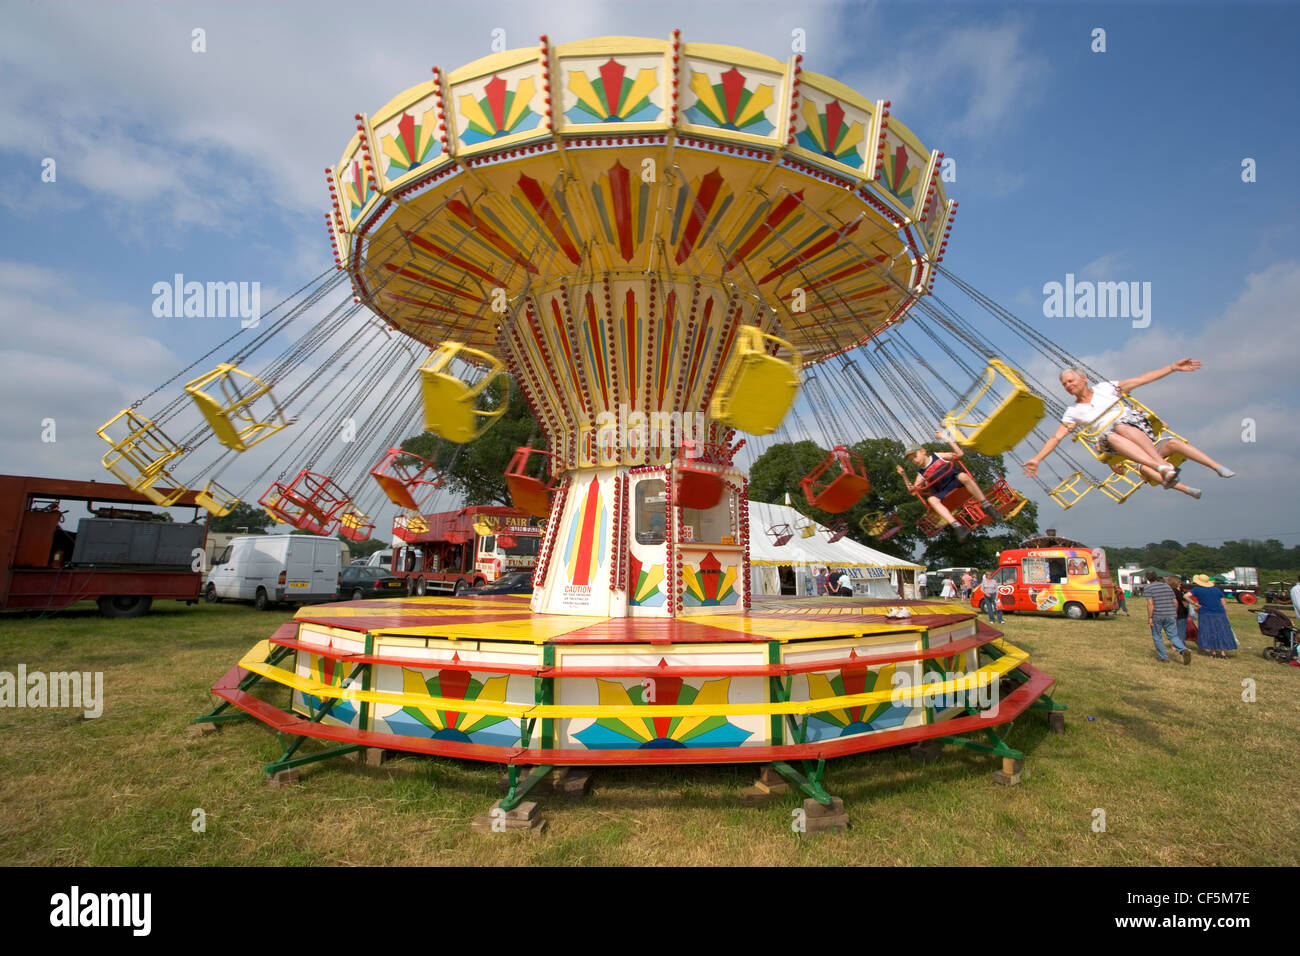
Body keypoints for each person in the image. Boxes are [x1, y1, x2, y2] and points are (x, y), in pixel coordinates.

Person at [1022, 361, 1235, 491]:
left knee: (1163, 439)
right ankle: (1162, 466)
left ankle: (1215, 466)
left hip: (1137, 427)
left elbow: (1142, 379)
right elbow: (1056, 437)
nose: (1068, 386)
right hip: (1113, 443)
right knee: (1116, 433)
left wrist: (1172, 368)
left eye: (1071, 381)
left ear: (1084, 378)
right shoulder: (1073, 412)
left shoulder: (1107, 388)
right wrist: (1037, 459)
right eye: (1064, 384)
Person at [897, 430, 1003, 543]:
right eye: (911, 460)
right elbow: (913, 491)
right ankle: (957, 526)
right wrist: (904, 476)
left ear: (923, 451)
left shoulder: (937, 456)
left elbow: (959, 454)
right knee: (931, 499)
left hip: (956, 482)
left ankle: (987, 506)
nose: (914, 460)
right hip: (944, 492)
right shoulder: (921, 473)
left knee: (963, 476)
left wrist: (945, 437)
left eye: (915, 456)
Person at [1142, 570, 1191, 664]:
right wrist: (1174, 613)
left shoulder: (1148, 588)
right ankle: (1183, 649)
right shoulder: (1167, 586)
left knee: (1157, 636)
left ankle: (1164, 657)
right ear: (1156, 576)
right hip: (1170, 614)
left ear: (1148, 579)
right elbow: (1175, 601)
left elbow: (1150, 603)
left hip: (1157, 615)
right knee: (1173, 635)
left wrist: (1150, 617)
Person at [1187, 573, 1238, 659]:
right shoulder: (1216, 589)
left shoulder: (1197, 589)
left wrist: (1194, 603)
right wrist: (1225, 612)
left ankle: (1213, 651)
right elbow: (1223, 602)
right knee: (1221, 631)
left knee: (1209, 631)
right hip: (1219, 613)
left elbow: (1186, 596)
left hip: (1205, 613)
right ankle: (1223, 652)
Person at [1167, 576, 1191, 645]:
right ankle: (1180, 646)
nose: (1180, 583)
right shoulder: (1178, 592)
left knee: (1173, 630)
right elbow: (1185, 604)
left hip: (1171, 613)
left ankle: (1174, 644)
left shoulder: (1169, 591)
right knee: (1181, 631)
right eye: (1179, 582)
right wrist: (1187, 598)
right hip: (1181, 614)